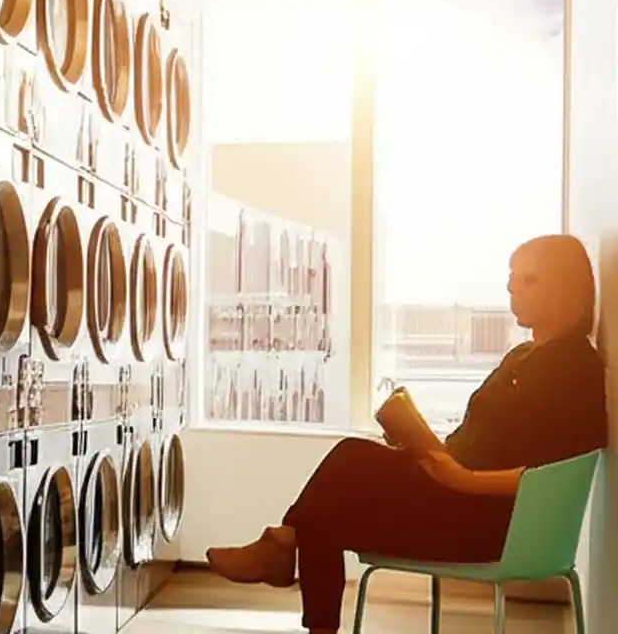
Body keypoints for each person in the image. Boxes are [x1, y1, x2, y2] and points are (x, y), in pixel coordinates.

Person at [206, 234, 608, 634]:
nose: (510, 288)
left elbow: (555, 472)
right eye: (511, 278)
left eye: (528, 279)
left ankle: (282, 546)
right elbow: (483, 441)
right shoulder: (522, 355)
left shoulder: (574, 366)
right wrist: (426, 446)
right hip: (456, 498)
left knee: (347, 462)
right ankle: (292, 560)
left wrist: (465, 479)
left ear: (565, 286)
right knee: (324, 514)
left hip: (493, 523)